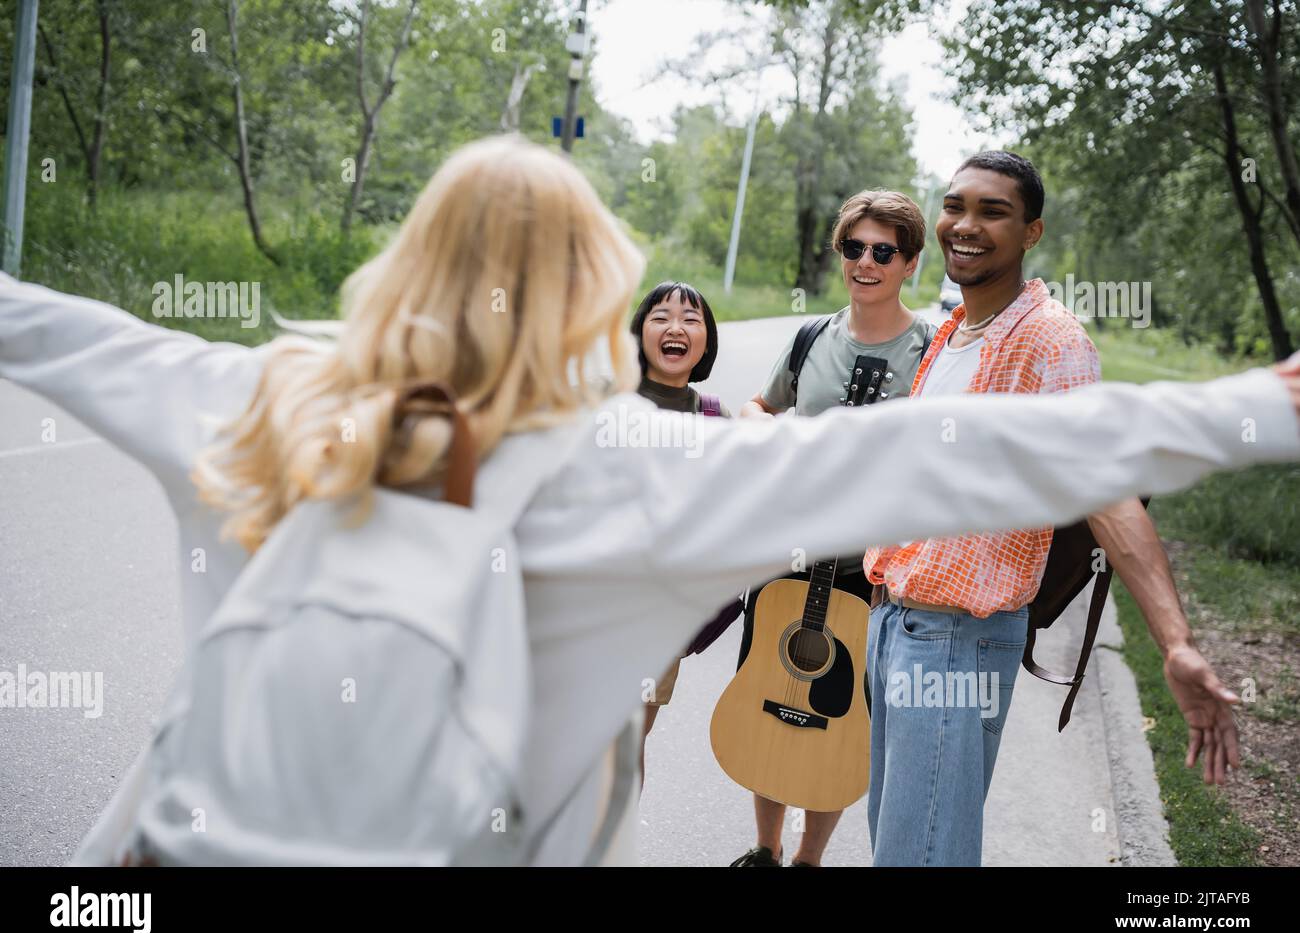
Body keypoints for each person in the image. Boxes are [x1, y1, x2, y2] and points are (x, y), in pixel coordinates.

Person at [2, 135, 1298, 866]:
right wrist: (1249, 407)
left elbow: (46, 328)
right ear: (593, 300)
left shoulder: (248, 397)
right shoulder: (636, 460)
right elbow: (951, 456)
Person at [861, 149, 1250, 867]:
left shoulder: (1051, 340)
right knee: (901, 846)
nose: (965, 225)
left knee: (920, 855)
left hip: (954, 642)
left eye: (993, 212)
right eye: (955, 206)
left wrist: (1174, 642)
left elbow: (1108, 492)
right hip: (894, 626)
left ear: (1031, 232)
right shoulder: (953, 333)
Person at [731, 189, 931, 867]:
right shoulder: (812, 336)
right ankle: (765, 848)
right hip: (782, 556)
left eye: (884, 251)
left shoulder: (929, 352)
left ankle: (809, 859)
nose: (866, 262)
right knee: (766, 694)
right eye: (854, 247)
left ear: (910, 262)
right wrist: (776, 437)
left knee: (837, 718)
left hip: (867, 574)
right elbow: (758, 407)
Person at [628, 280, 735, 785]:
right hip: (587, 605)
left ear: (706, 341)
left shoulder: (714, 420)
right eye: (661, 317)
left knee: (629, 740)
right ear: (639, 333)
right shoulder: (607, 405)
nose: (676, 327)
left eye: (691, 320)